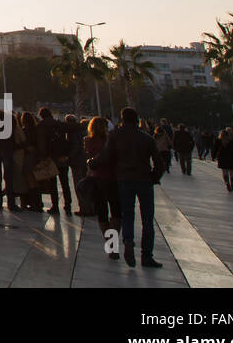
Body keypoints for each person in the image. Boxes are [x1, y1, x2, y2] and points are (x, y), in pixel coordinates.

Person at [90, 107, 165, 268]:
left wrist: (92, 162)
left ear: (122, 119)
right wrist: (153, 178)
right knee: (147, 220)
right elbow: (160, 164)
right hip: (144, 180)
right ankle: (146, 256)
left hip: (124, 180)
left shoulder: (115, 136)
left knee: (127, 215)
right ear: (137, 120)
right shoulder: (146, 138)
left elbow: (105, 155)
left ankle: (128, 242)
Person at [83, 117, 122, 260]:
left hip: (96, 178)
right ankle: (113, 243)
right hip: (113, 178)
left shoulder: (88, 140)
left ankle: (110, 245)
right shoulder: (112, 140)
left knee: (102, 212)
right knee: (116, 212)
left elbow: (90, 159)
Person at [38, 107, 78, 215]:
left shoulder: (42, 126)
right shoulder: (59, 124)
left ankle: (55, 205)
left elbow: (42, 144)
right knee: (64, 182)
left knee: (52, 183)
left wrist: (43, 156)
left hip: (50, 158)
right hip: (62, 157)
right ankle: (68, 205)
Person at [216, 127, 233, 192]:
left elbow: (215, 150)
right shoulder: (231, 140)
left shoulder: (219, 141)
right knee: (232, 173)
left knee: (225, 172)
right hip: (231, 158)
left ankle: (227, 183)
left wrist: (215, 157)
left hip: (222, 159)